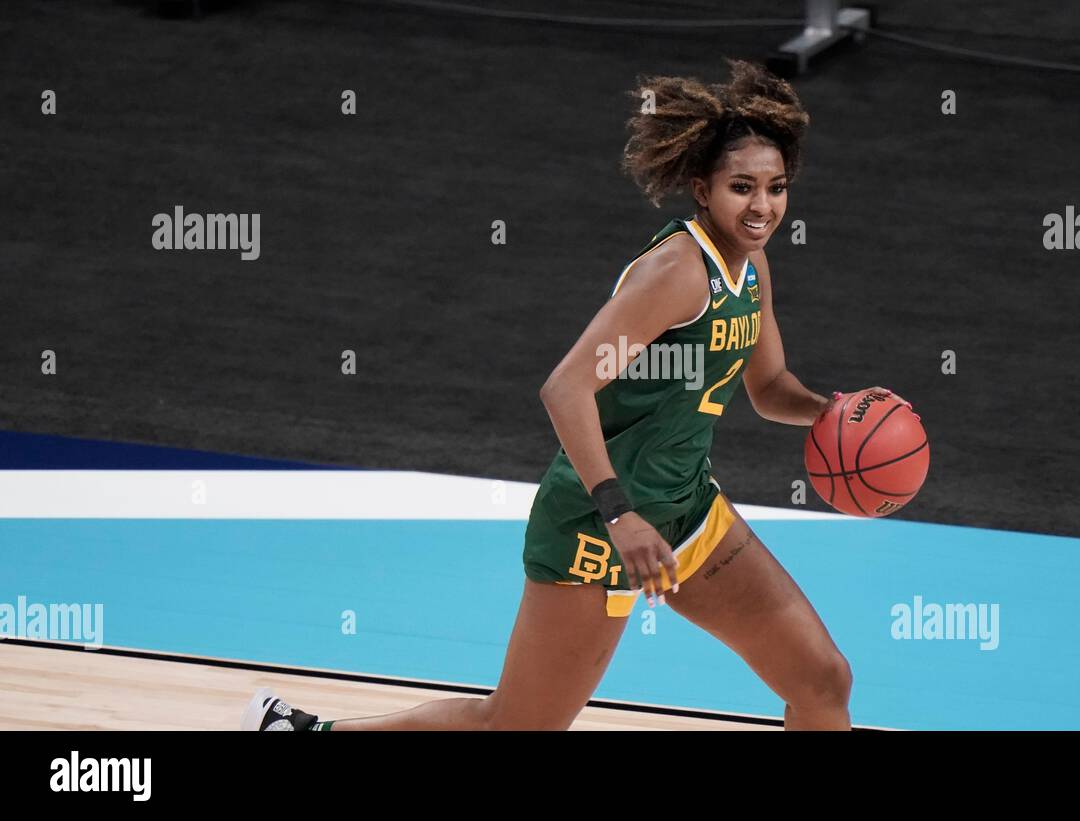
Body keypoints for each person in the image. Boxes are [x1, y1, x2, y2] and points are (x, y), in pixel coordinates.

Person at [242, 58, 908, 733]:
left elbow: (768, 388)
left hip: (686, 512)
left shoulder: (751, 263)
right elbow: (565, 387)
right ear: (702, 189)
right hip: (597, 527)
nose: (762, 206)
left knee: (823, 679)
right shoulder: (678, 273)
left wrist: (830, 410)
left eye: (775, 187)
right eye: (742, 187)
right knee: (515, 726)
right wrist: (621, 516)